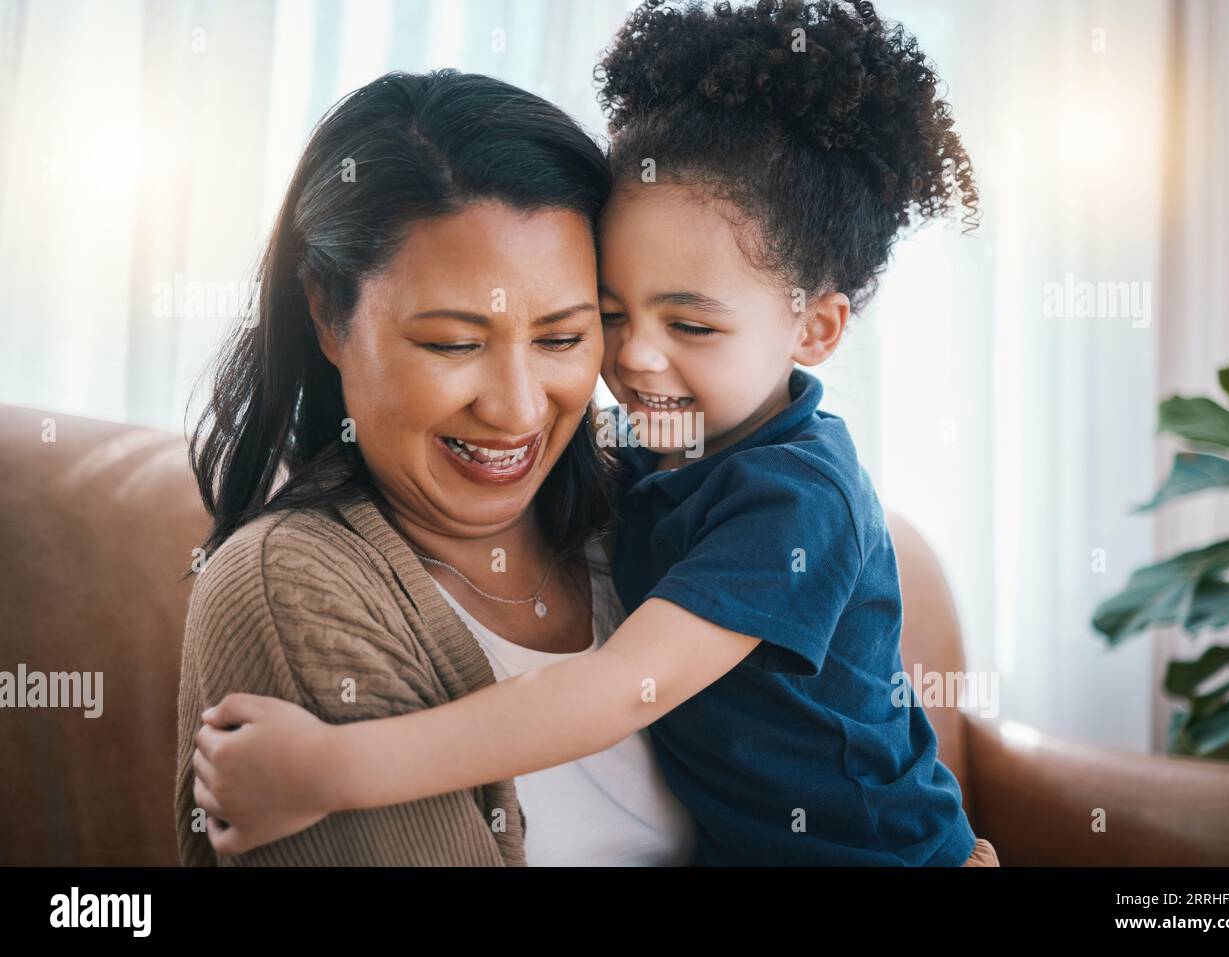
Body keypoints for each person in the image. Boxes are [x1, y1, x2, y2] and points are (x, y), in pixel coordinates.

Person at [193, 0, 1000, 866]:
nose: (637, 358)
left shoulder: (795, 500)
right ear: (327, 312)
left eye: (564, 336)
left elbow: (620, 689)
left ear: (816, 328)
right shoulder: (655, 462)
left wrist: (335, 768)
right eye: (612, 316)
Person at [175, 68, 696, 866]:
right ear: (327, 313)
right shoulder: (293, 589)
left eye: (561, 337)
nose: (518, 409)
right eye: (454, 343)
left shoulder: (661, 509)